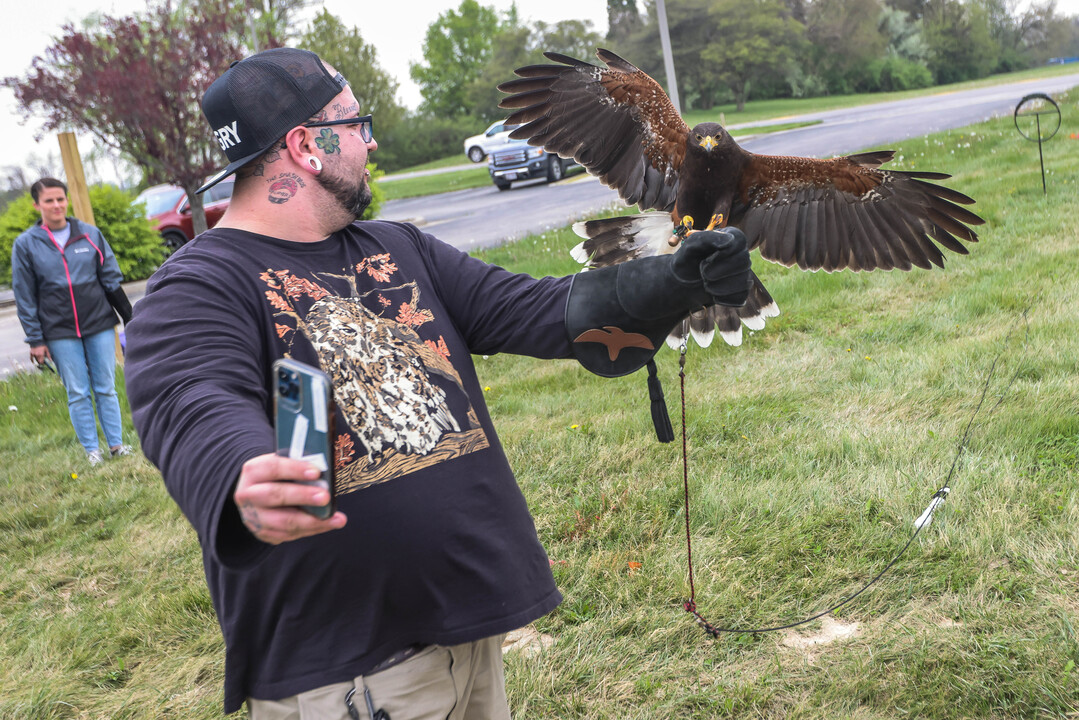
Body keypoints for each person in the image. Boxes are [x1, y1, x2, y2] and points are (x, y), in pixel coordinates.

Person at [123, 48, 751, 719]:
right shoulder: (198, 284)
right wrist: (240, 471)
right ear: (307, 146)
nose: (370, 142)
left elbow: (536, 309)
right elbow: (190, 395)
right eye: (355, 124)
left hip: (465, 636)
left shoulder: (398, 246)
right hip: (353, 674)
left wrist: (672, 282)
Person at [11, 177, 133, 466]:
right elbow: (25, 297)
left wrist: (130, 318)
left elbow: (110, 279)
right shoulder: (26, 245)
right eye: (49, 200)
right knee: (77, 391)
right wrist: (36, 339)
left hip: (99, 323)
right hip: (59, 330)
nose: (56, 205)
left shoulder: (89, 234)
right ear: (37, 205)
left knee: (105, 386)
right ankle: (92, 451)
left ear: (66, 200)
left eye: (60, 199)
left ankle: (116, 445)